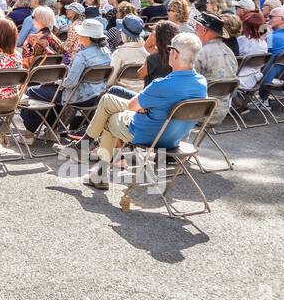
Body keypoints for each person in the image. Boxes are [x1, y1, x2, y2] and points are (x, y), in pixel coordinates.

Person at [75, 32, 208, 189]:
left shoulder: (161, 85)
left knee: (109, 114)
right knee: (109, 104)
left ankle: (93, 162)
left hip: (147, 135)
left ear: (176, 53)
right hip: (174, 138)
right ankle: (91, 160)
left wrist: (145, 105)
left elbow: (132, 106)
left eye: (170, 48)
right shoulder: (201, 83)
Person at [107, 15, 149, 93]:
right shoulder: (147, 53)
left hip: (122, 95)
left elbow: (110, 82)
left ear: (125, 34)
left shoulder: (119, 54)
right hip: (142, 93)